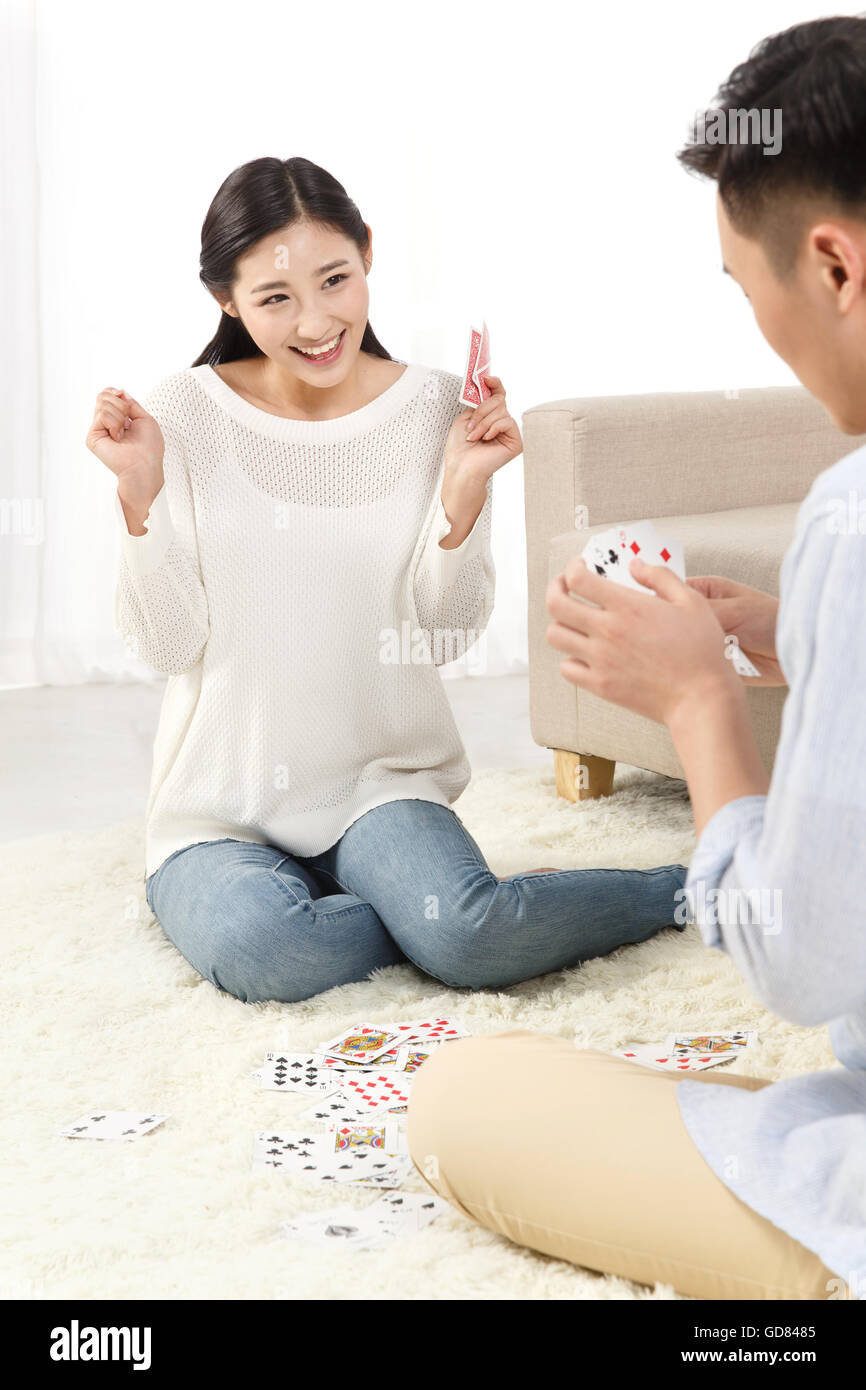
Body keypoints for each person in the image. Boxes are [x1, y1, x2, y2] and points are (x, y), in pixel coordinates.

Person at [407, 15, 866, 1301]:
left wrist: (697, 702)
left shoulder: (849, 513)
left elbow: (811, 959)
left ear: (831, 264)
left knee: (466, 1092)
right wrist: (805, 641)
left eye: (743, 284)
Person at [85, 155, 686, 1005]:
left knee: (467, 938)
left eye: (336, 279)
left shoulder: (437, 410)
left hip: (379, 785)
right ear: (225, 299)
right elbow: (167, 642)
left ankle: (682, 889)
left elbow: (441, 637)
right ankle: (463, 915)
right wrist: (138, 499)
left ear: (368, 253)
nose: (317, 321)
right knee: (269, 951)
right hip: (219, 809)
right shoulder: (180, 415)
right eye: (275, 298)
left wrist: (462, 496)